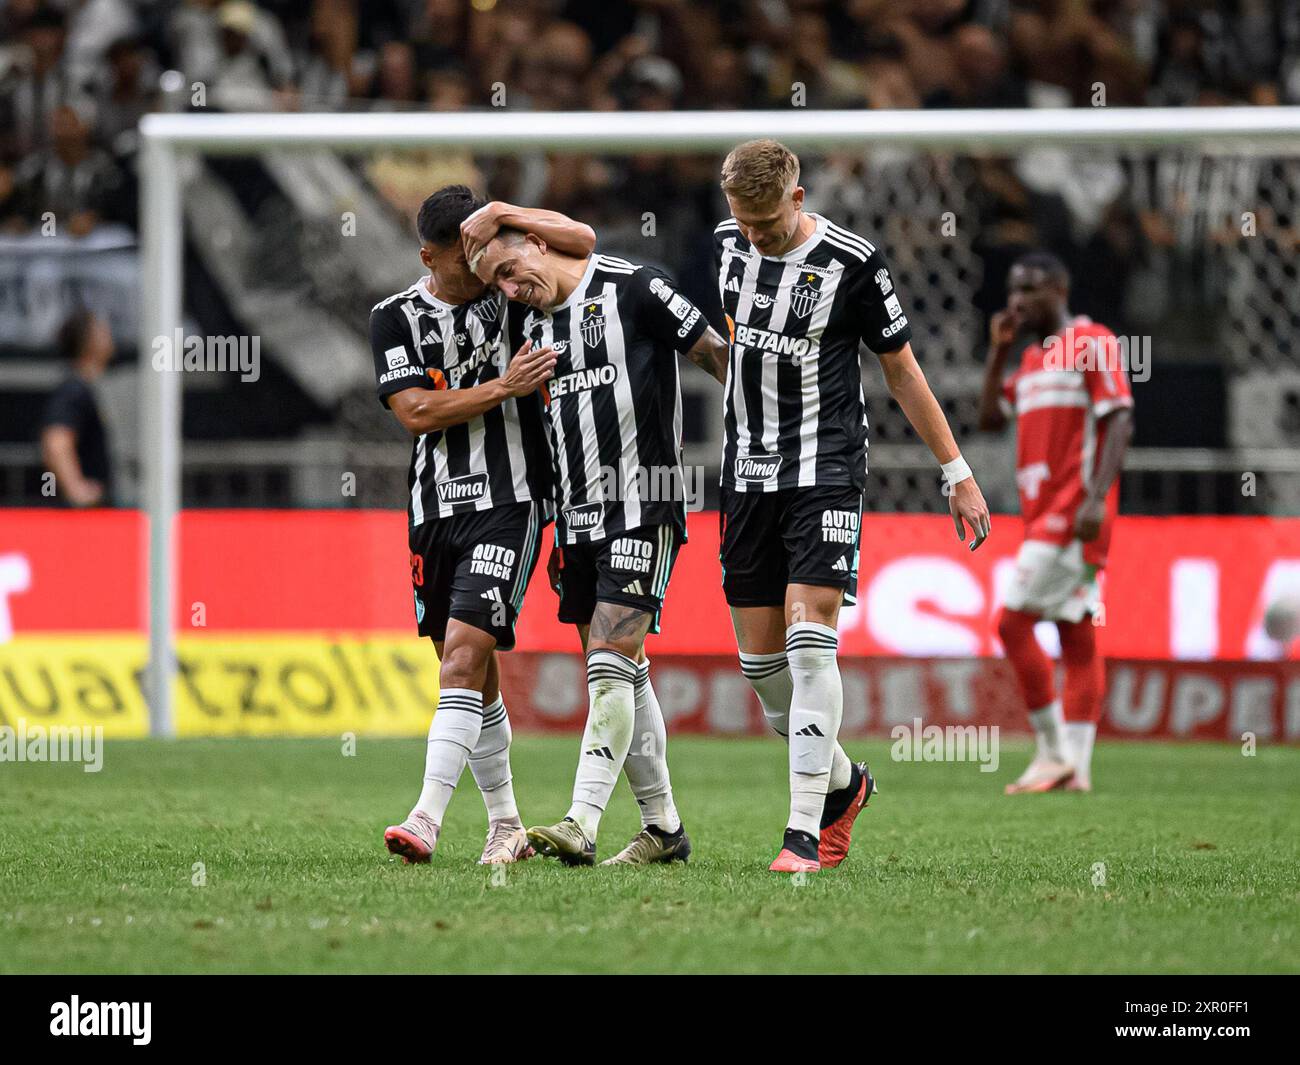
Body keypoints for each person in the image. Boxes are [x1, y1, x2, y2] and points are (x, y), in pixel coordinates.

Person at [713, 139, 992, 873]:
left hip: (825, 470)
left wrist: (955, 471)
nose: (754, 237)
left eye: (767, 224)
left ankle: (802, 831)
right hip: (745, 475)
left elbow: (901, 370)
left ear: (798, 200)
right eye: (743, 222)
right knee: (763, 673)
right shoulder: (726, 245)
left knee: (810, 645)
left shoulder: (853, 262)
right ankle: (846, 784)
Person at [470, 227, 730, 866]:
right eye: (497, 283)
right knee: (625, 673)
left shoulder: (635, 287)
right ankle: (663, 829)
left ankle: (581, 822)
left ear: (536, 242)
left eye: (510, 267)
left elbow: (720, 358)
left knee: (610, 661)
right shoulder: (532, 334)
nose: (510, 287)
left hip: (645, 503)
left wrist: (768, 443)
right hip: (576, 519)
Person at [373, 185, 595, 865]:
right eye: (461, 261)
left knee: (465, 654)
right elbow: (414, 410)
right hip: (433, 509)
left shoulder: (515, 292)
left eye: (483, 255)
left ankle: (426, 818)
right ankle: (505, 824)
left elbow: (583, 243)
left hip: (513, 500)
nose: (478, 273)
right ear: (427, 257)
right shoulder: (395, 316)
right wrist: (504, 387)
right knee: (465, 663)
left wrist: (509, 217)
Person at [977, 251, 1134, 794]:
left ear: (1061, 289)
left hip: (1072, 514)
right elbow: (989, 417)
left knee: (1011, 624)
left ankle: (1051, 753)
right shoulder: (1031, 362)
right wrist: (998, 352)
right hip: (1041, 514)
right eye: (1014, 290)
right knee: (1076, 635)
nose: (1019, 300)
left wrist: (1095, 499)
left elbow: (1119, 417)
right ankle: (1078, 770)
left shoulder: (1092, 342)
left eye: (1032, 289)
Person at [40, 308, 114, 507]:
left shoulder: (82, 388)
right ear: (88, 340)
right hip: (83, 520)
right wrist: (76, 489)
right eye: (101, 328)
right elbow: (56, 442)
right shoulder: (74, 390)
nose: (108, 333)